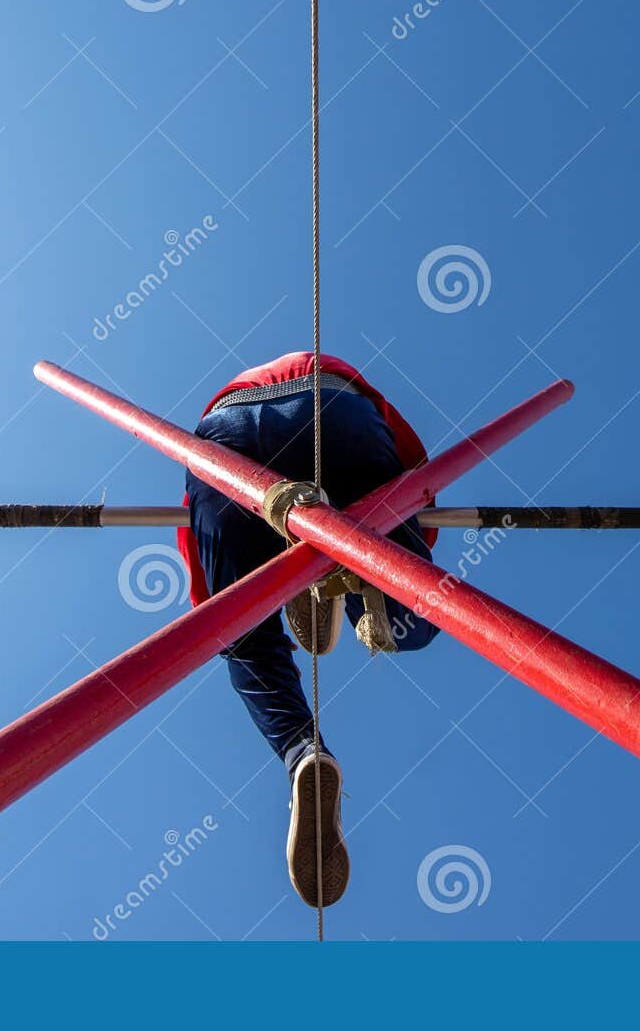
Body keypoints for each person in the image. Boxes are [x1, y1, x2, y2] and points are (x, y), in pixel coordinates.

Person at [176, 352, 440, 909]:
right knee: (415, 615)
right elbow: (416, 475)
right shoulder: (344, 383)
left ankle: (303, 751)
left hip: (222, 436)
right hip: (338, 409)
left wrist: (242, 612)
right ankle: (337, 585)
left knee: (244, 636)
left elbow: (213, 607)